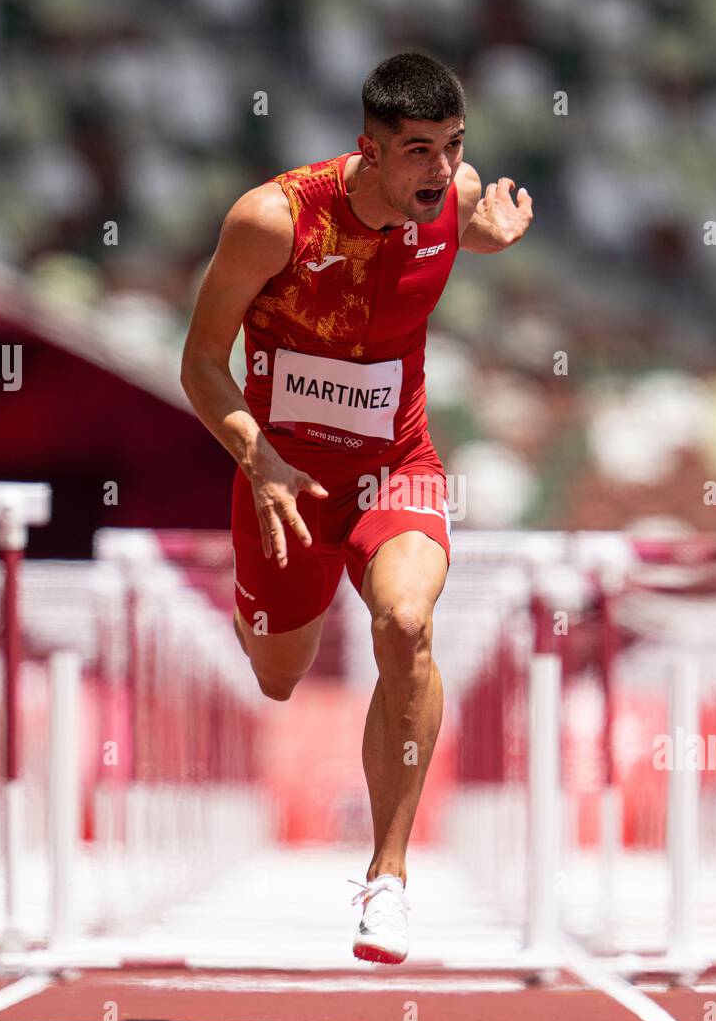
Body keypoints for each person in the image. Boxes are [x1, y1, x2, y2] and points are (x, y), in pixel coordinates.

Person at [181, 52, 532, 963]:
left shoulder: (446, 200)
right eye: (418, 152)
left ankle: (387, 877)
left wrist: (486, 231)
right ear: (366, 151)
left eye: (453, 149)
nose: (440, 170)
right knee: (278, 678)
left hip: (396, 466)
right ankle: (256, 610)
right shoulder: (272, 221)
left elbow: (455, 226)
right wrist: (258, 462)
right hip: (284, 479)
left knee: (406, 623)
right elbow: (200, 363)